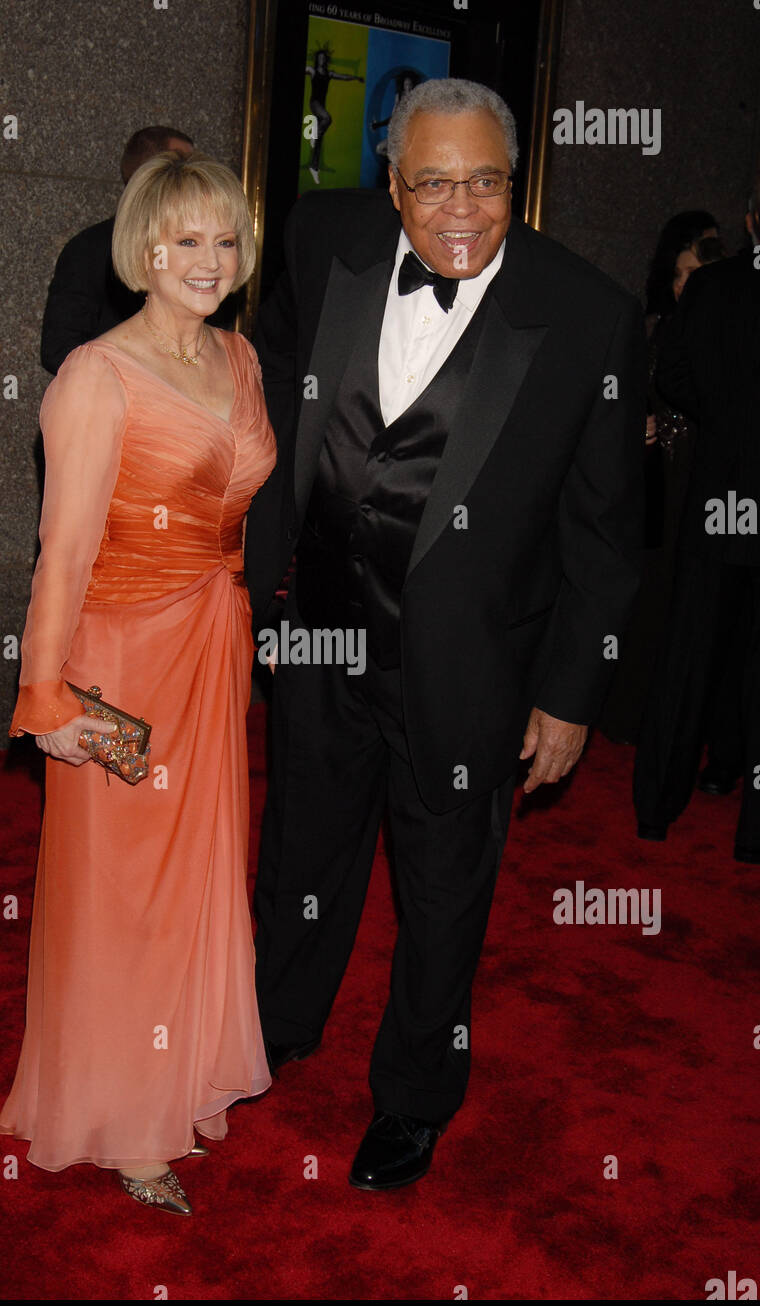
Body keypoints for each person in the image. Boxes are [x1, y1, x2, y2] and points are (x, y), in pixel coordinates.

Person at [245, 77, 645, 1191]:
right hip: (321, 630)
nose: (459, 207)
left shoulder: (588, 316)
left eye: (485, 181)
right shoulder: (323, 239)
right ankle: (276, 1024)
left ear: (514, 183)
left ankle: (415, 1097)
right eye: (432, 181)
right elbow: (273, 384)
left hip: (470, 664)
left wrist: (568, 694)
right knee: (300, 850)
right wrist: (259, 585)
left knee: (440, 890)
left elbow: (607, 537)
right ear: (392, 181)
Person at [0, 151, 276, 1213]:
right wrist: (48, 698)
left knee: (197, 880)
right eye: (187, 241)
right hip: (120, 657)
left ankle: (174, 1076)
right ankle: (121, 1118)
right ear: (143, 250)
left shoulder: (240, 360)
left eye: (227, 240)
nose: (210, 261)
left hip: (212, 646)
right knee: (117, 900)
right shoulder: (95, 377)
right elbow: (59, 553)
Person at [633, 170, 760, 862]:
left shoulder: (713, 286)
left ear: (749, 219)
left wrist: (724, 426)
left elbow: (671, 376)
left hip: (718, 494)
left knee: (687, 650)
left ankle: (656, 808)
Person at [600, 213, 722, 743]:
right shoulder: (653, 327)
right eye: (677, 273)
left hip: (699, 486)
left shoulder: (728, 333)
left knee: (681, 601)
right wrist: (635, 422)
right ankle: (623, 710)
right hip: (653, 484)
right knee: (642, 594)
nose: (683, 285)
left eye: (693, 273)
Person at [40, 126, 194, 374]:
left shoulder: (198, 253)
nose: (195, 176)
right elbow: (58, 349)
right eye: (183, 164)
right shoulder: (91, 248)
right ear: (148, 173)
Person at [305, 46, 365, 184]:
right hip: (314, 104)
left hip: (322, 106)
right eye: (319, 58)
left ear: (325, 60)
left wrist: (355, 77)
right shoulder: (312, 71)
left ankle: (314, 167)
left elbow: (343, 77)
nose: (321, 60)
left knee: (319, 141)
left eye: (323, 58)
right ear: (317, 60)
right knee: (327, 118)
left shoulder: (328, 73)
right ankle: (313, 135)